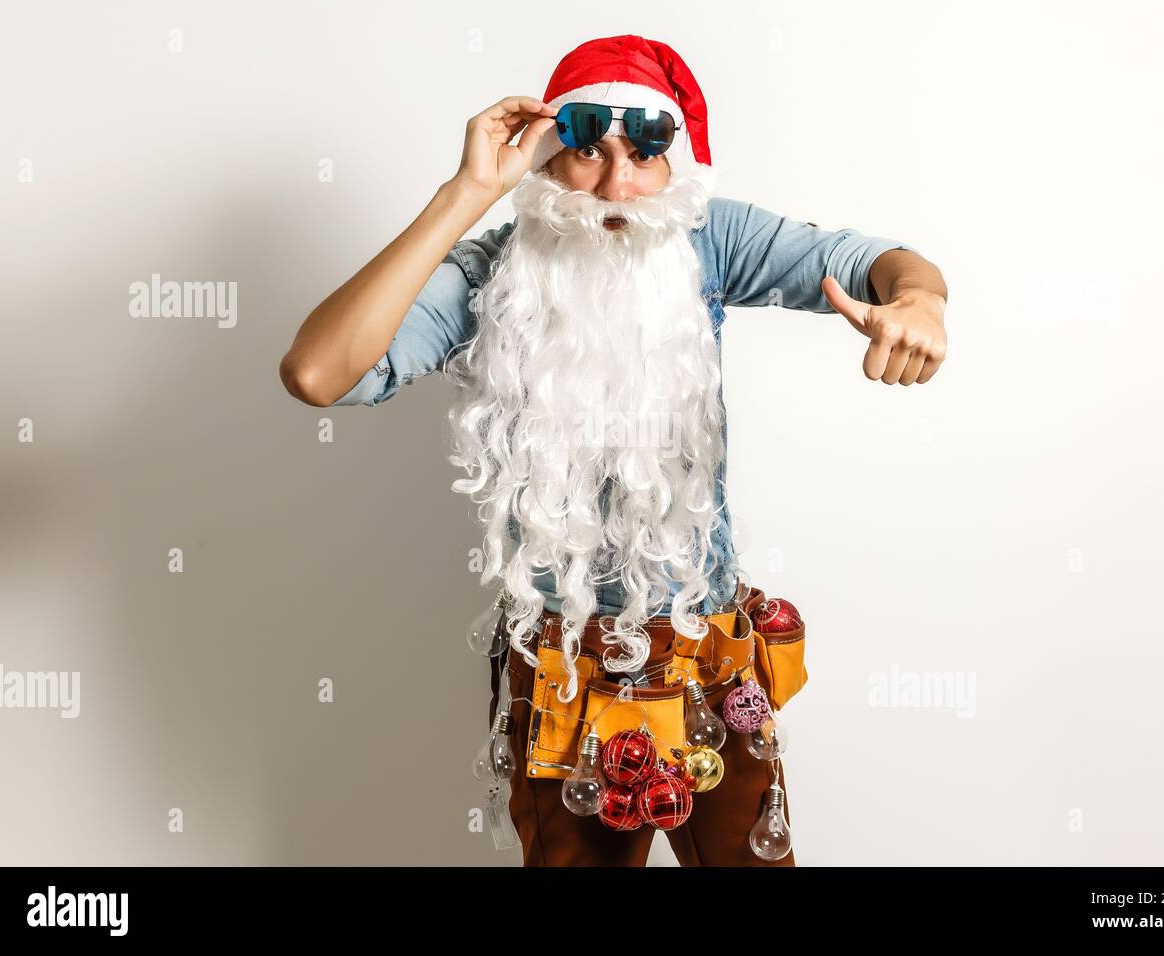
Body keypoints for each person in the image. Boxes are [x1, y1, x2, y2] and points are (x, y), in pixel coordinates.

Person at [280, 34, 948, 866]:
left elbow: (871, 261)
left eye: (644, 153)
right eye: (586, 151)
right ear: (546, 160)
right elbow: (318, 372)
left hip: (705, 652)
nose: (615, 186)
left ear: (679, 165)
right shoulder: (495, 272)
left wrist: (916, 302)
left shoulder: (707, 242)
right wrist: (466, 191)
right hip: (559, 671)